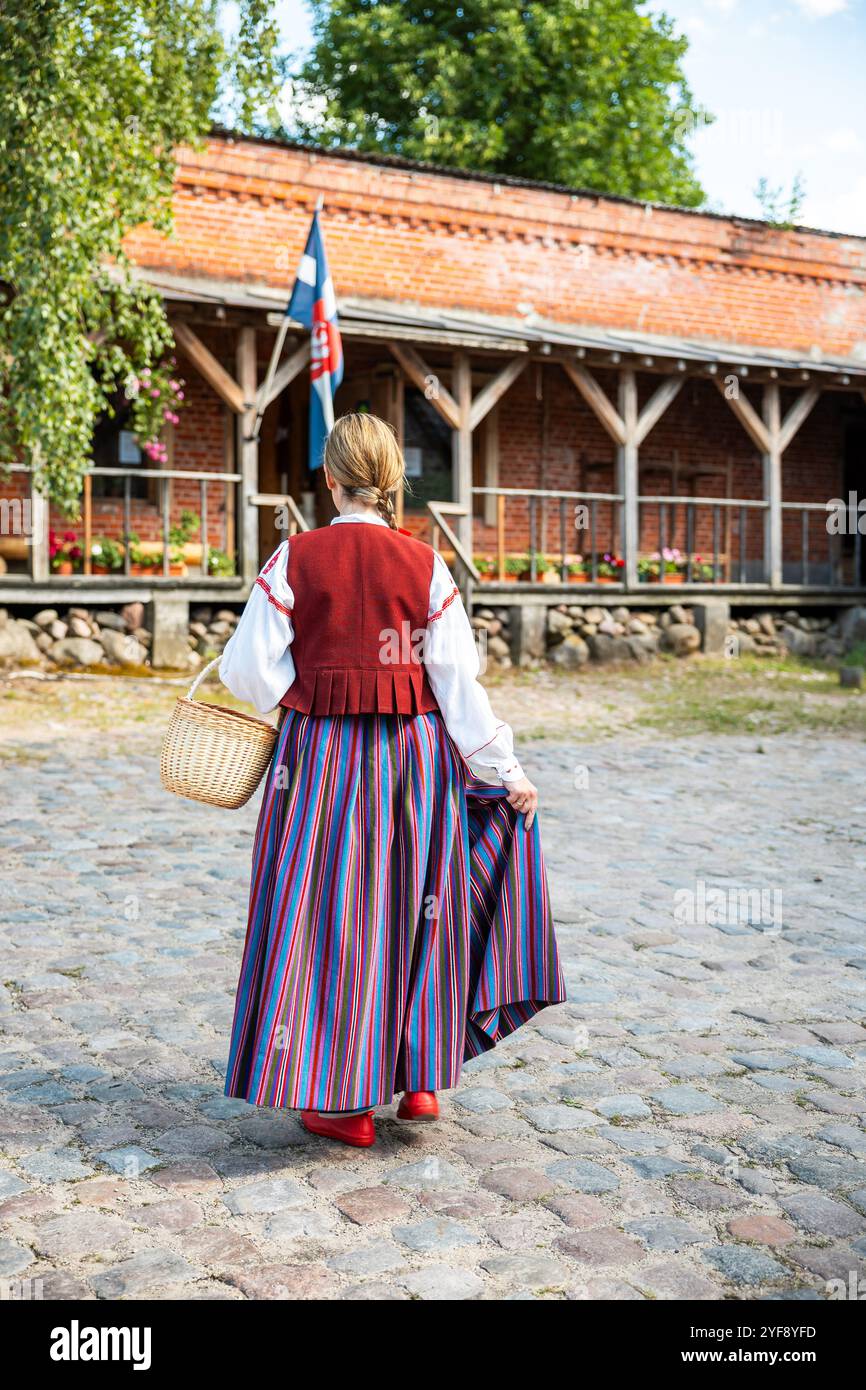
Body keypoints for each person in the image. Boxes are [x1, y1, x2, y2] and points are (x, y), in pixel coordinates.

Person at [219, 412, 565, 1148]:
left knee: (331, 920)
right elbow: (457, 684)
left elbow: (246, 671)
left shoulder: (295, 559)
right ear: (389, 481)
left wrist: (308, 684)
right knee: (417, 909)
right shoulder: (426, 565)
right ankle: (417, 1080)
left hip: (320, 763)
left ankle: (343, 1103)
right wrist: (507, 771)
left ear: (329, 477)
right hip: (417, 761)